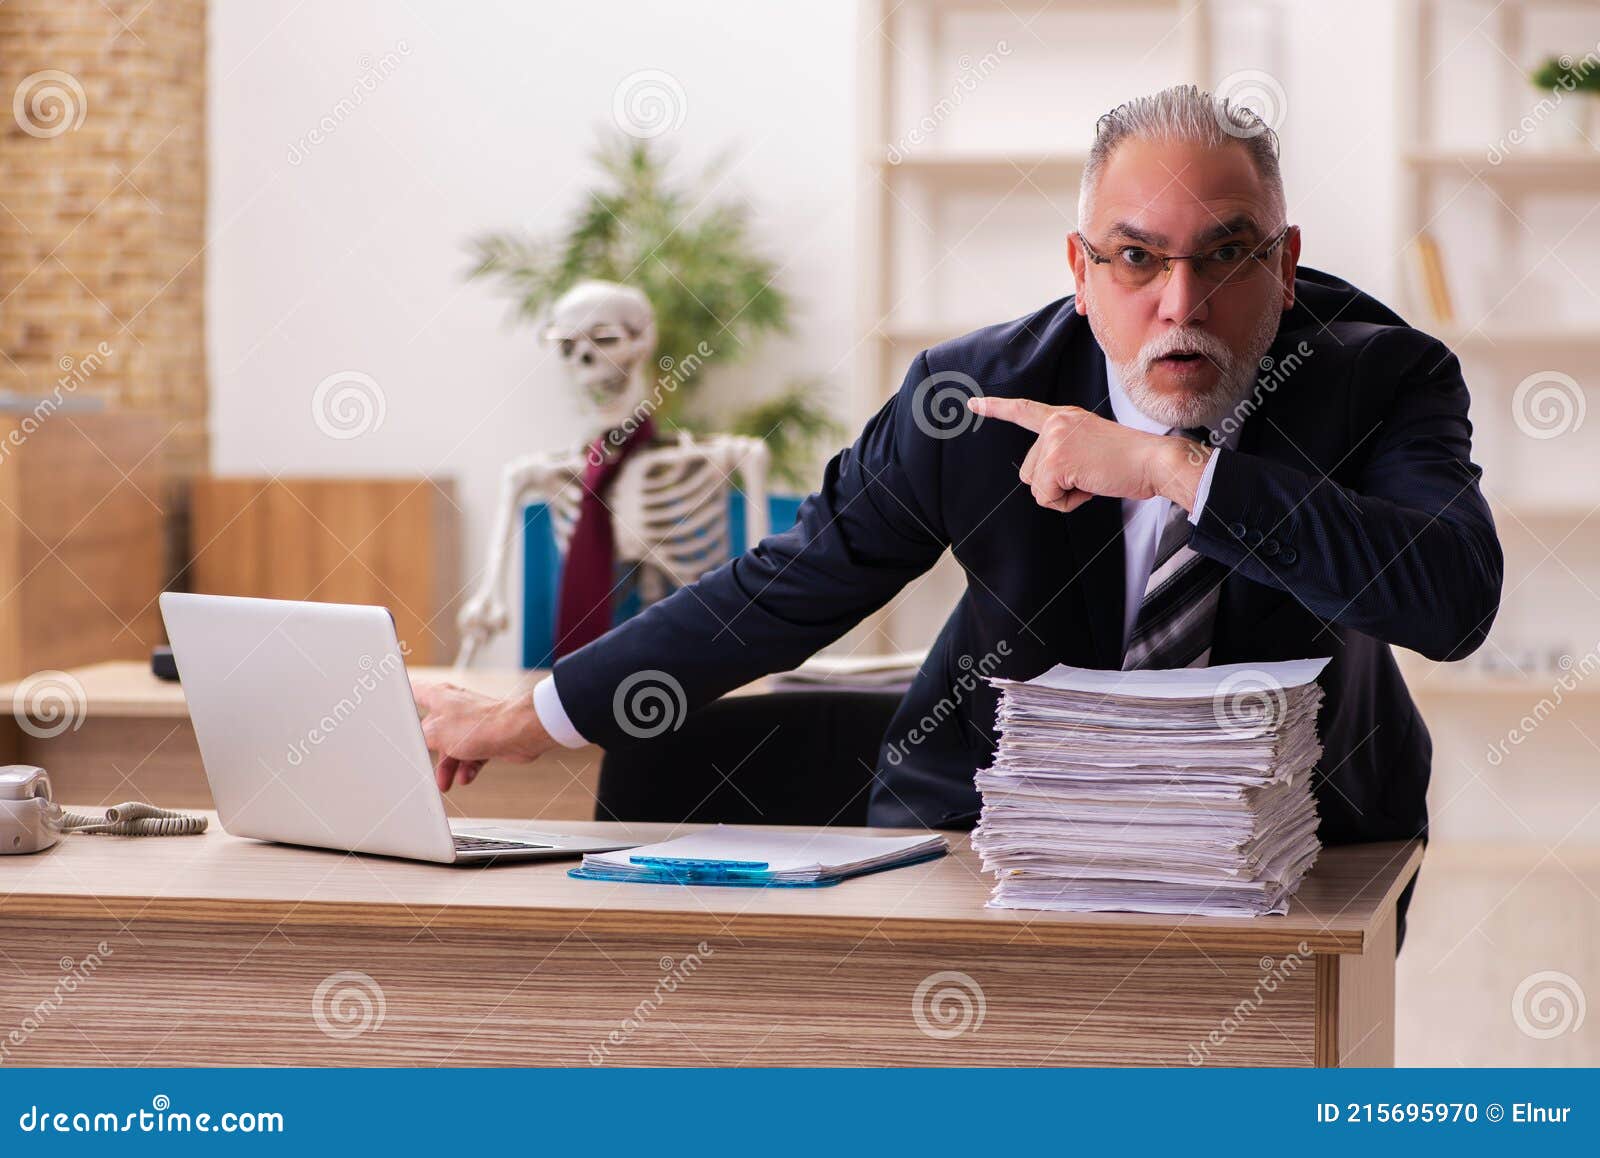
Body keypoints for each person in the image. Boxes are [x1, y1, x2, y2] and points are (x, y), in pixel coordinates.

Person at [415, 85, 1503, 945]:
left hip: (1303, 840)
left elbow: (1450, 600)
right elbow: (788, 587)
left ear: (1286, 263)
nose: (1181, 303)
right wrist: (526, 718)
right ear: (1079, 271)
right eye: (1135, 257)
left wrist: (1178, 471)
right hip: (991, 834)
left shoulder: (1384, 378)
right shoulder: (968, 398)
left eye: (1227, 254)